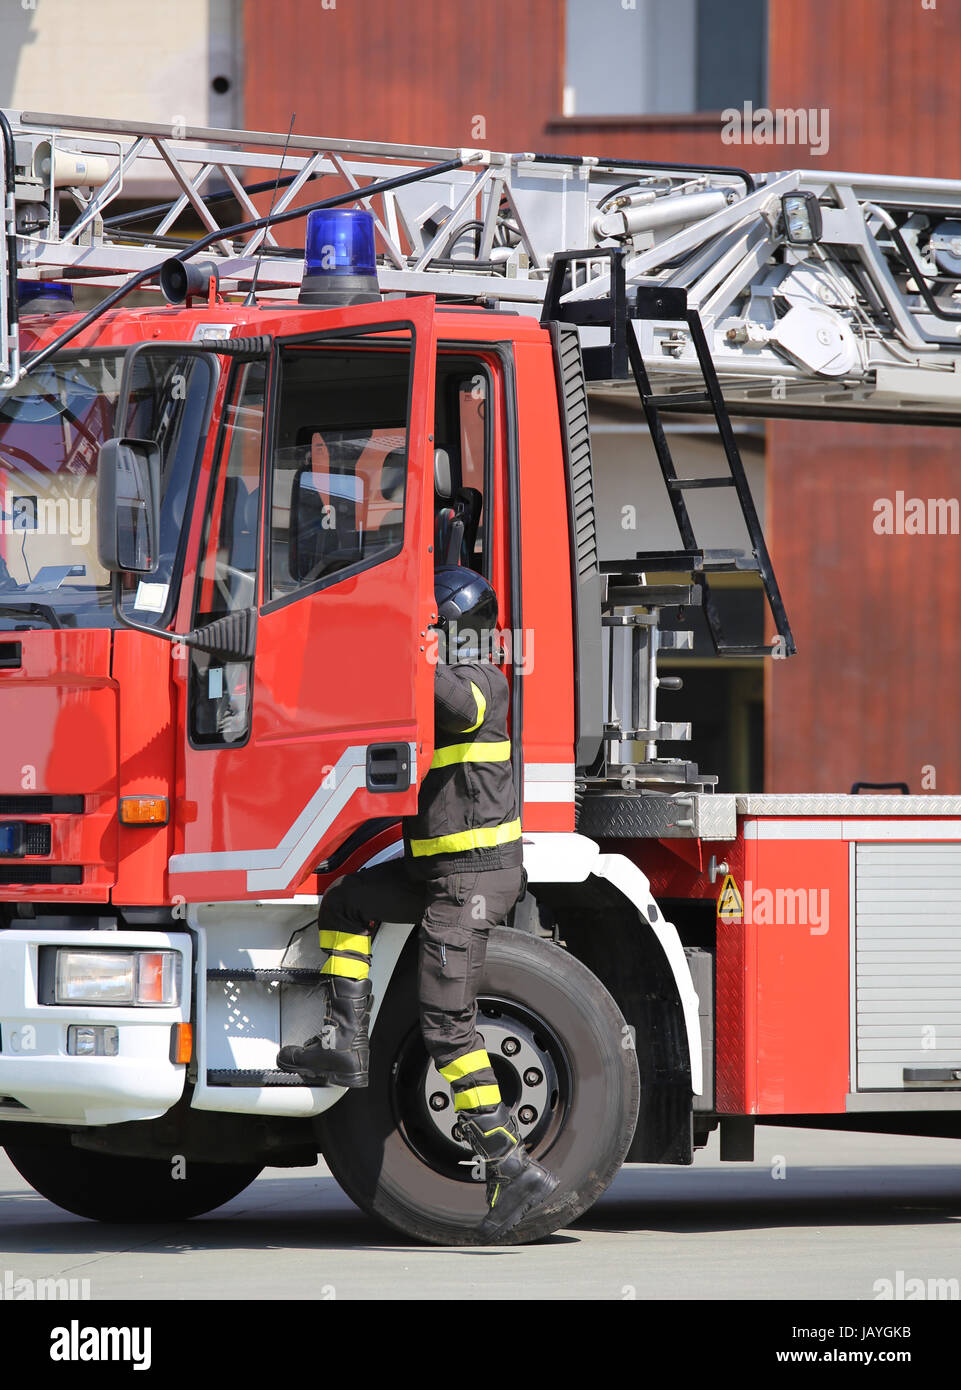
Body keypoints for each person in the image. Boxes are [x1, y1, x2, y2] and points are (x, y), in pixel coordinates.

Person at [277, 565, 558, 1240]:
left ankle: (509, 1163)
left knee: (445, 1026)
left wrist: (399, 636)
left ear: (458, 630)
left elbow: (445, 697)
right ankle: (345, 1042)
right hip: (436, 871)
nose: (429, 635)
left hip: (471, 879)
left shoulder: (483, 683)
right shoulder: (452, 677)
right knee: (347, 902)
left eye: (437, 625)